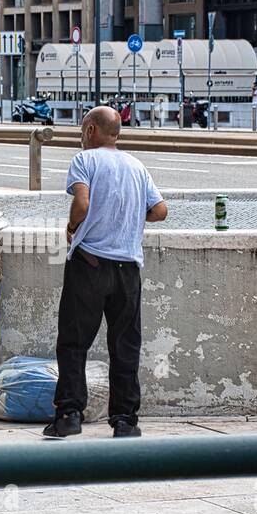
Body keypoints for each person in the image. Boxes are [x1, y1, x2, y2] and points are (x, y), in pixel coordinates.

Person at [45, 105, 168, 439]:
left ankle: (69, 415)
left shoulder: (85, 161)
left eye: (83, 129)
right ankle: (126, 421)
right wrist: (126, 219)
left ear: (90, 131)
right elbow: (160, 210)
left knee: (73, 342)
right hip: (127, 270)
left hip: (90, 264)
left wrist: (72, 226)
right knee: (125, 345)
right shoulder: (137, 166)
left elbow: (82, 204)